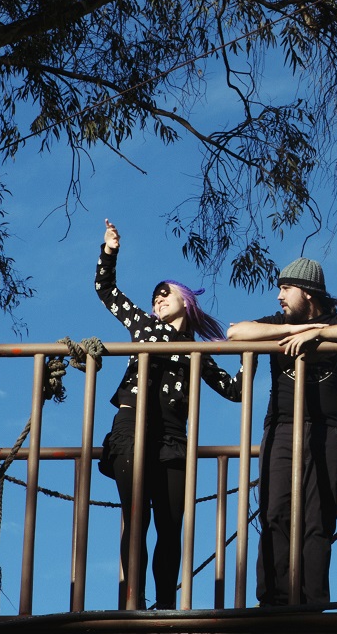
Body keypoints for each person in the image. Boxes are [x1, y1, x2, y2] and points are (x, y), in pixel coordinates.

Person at [94, 220, 241, 610]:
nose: (157, 299)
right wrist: (110, 250)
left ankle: (164, 605)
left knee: (170, 525)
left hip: (173, 438)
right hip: (132, 427)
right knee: (136, 519)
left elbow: (234, 390)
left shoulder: (198, 351)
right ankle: (133, 603)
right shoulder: (144, 326)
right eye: (155, 295)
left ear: (185, 301)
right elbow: (106, 290)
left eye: (165, 293)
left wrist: (248, 354)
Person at [226, 258, 337, 608]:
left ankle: (313, 604)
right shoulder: (279, 322)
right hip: (282, 428)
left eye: (286, 288)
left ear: (308, 292)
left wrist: (320, 333)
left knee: (318, 519)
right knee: (275, 513)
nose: (279, 296)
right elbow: (236, 333)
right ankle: (274, 601)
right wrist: (297, 331)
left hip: (331, 432)